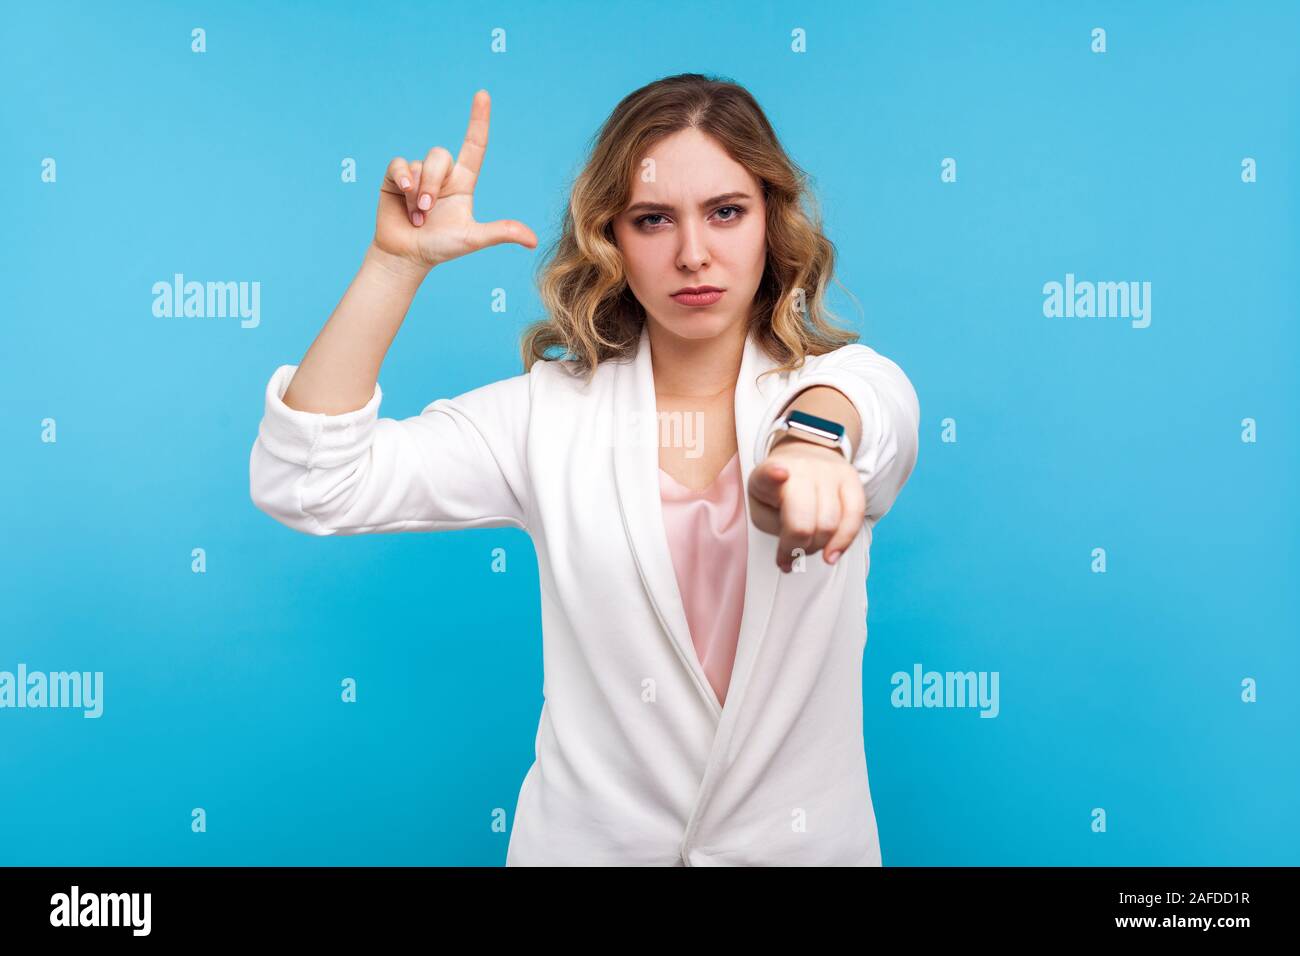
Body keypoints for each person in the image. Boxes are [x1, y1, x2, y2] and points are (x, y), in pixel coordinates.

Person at [249, 74, 920, 866]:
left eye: (726, 212)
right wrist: (395, 265)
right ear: (611, 236)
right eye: (653, 219)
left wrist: (809, 448)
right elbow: (308, 483)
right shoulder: (547, 415)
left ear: (771, 221)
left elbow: (855, 410)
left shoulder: (853, 384)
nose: (694, 253)